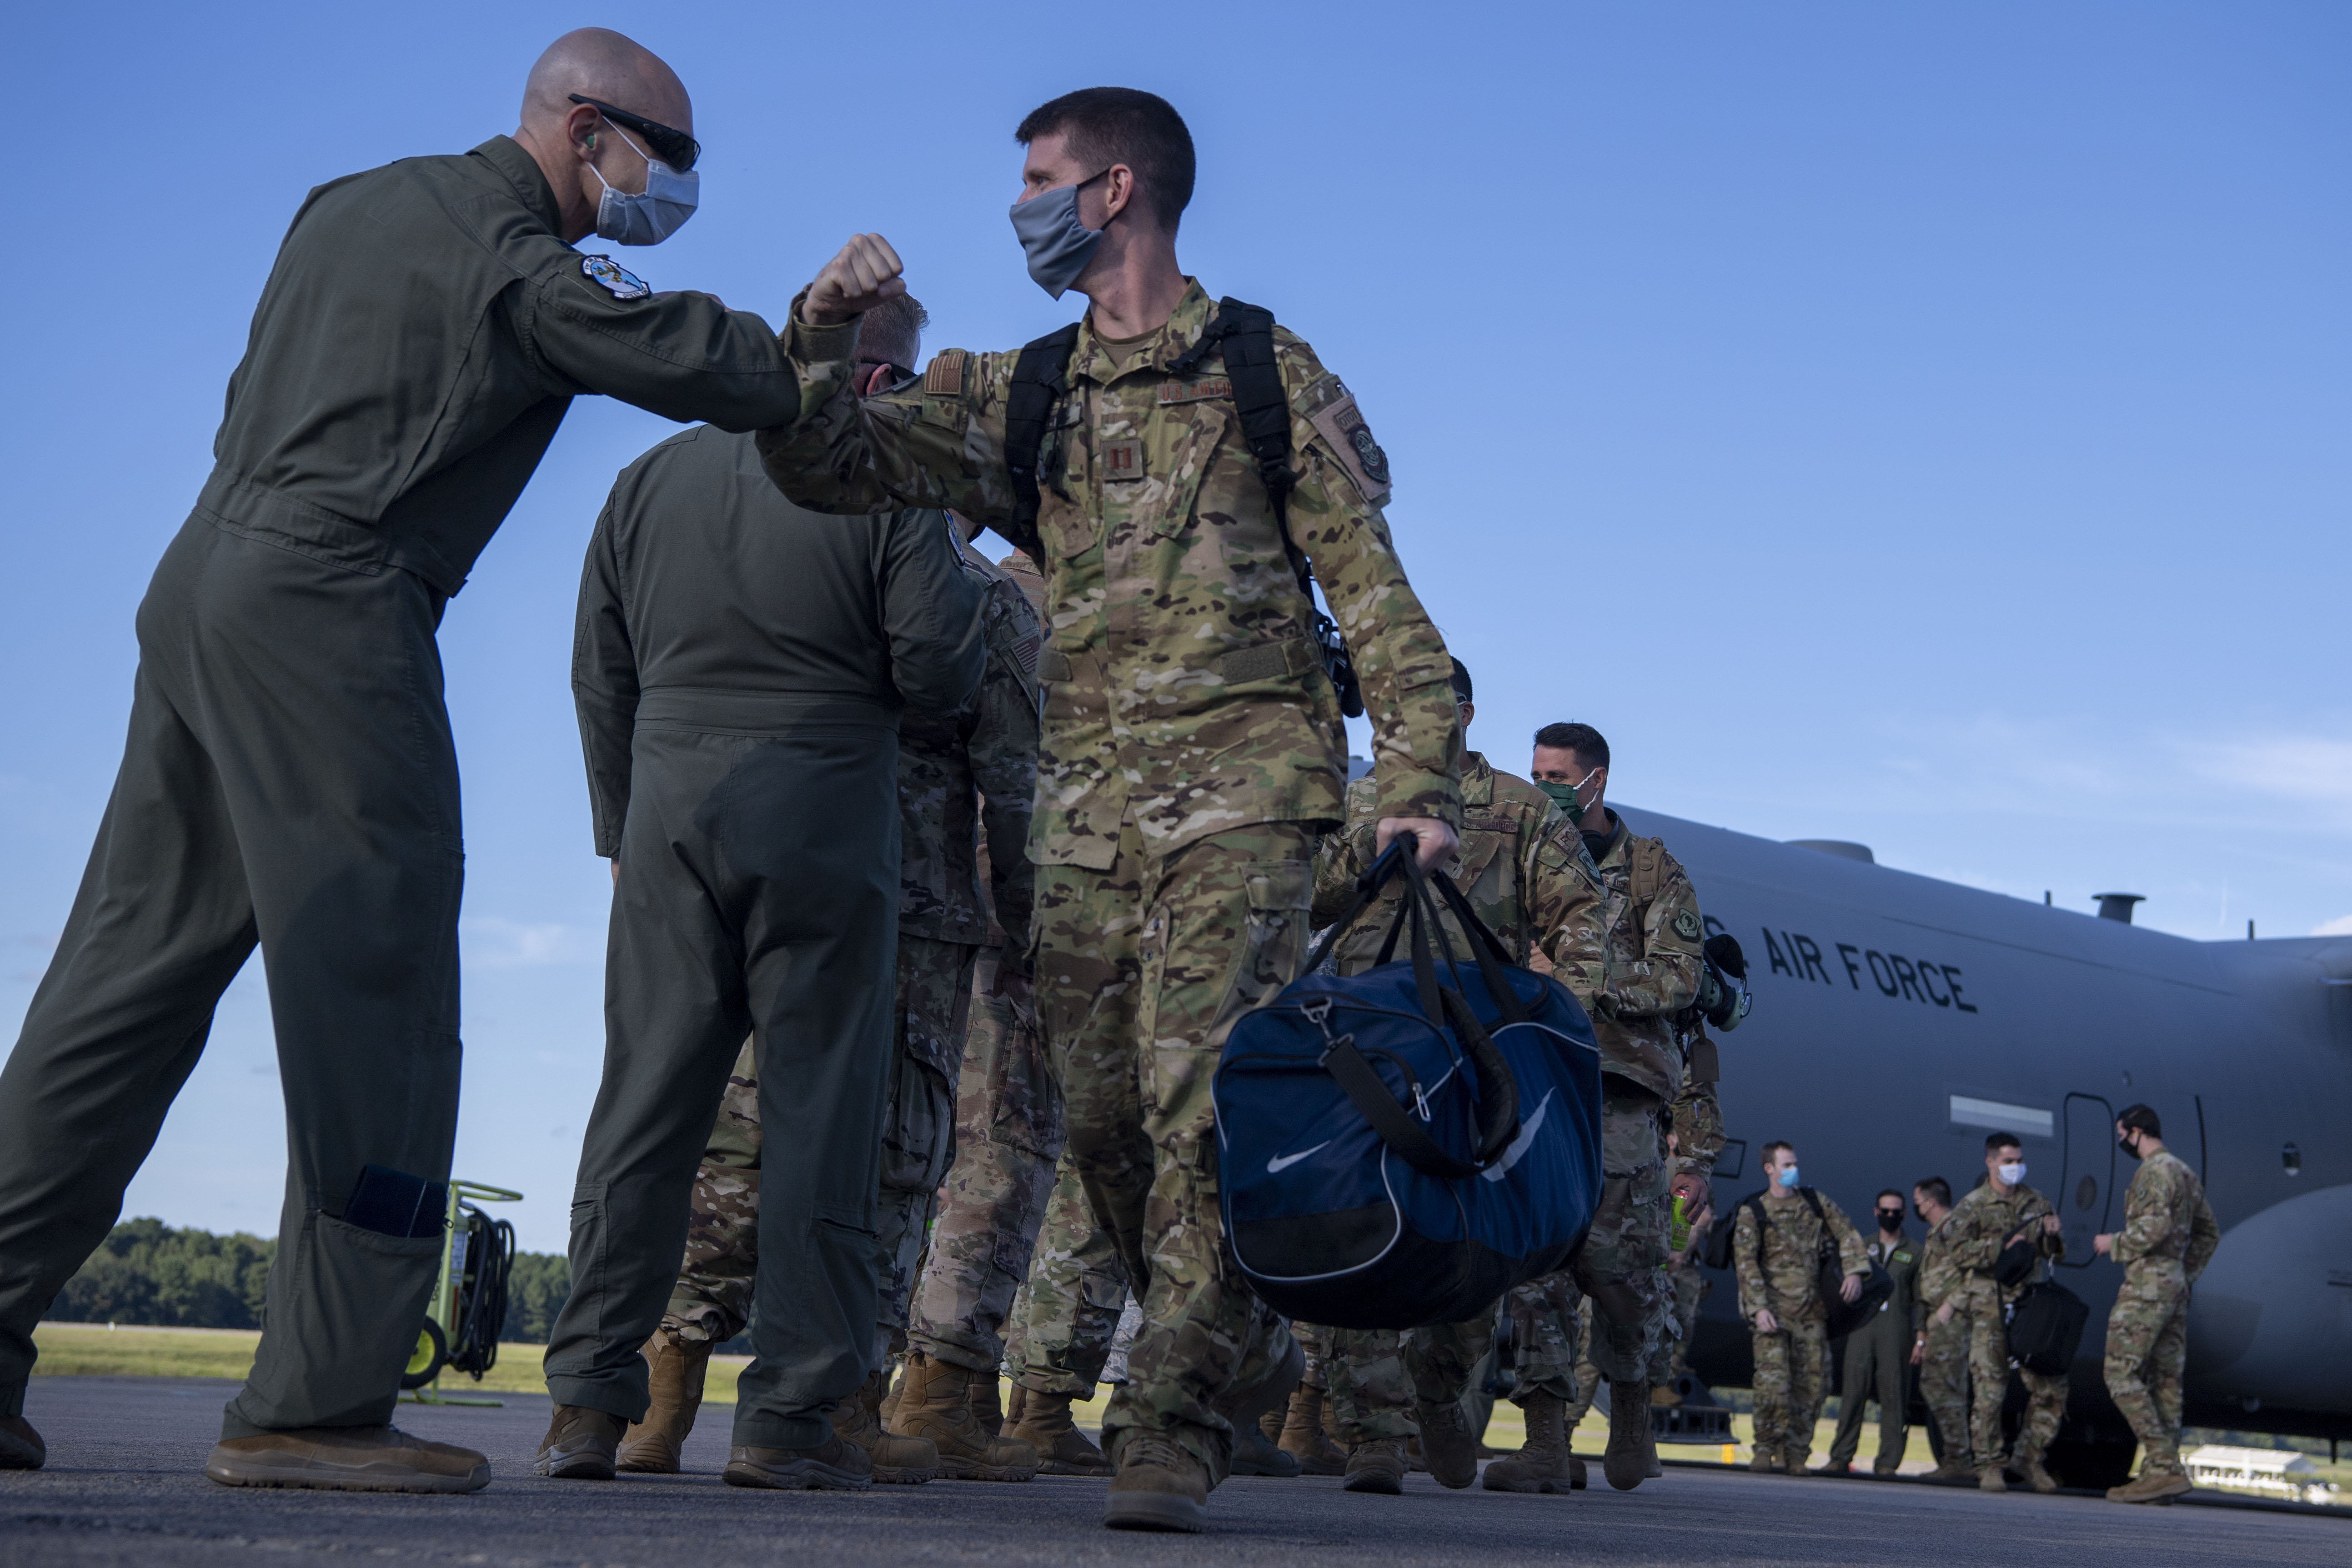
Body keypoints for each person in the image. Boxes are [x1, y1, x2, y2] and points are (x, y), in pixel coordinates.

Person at [0, 28, 818, 1491]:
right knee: (379, 998)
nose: (680, 182)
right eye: (670, 154)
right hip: (336, 606)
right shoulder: (515, 256)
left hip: (209, 571)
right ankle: (317, 1404)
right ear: (585, 130)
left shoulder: (352, 200)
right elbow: (706, 369)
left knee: (120, 981)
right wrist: (806, 344)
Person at [759, 86, 1465, 1533]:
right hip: (1084, 816)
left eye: (1038, 178)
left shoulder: (1263, 370)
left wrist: (1412, 780)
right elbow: (822, 463)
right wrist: (818, 332)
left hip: (1248, 801)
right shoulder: (1020, 390)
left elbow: (1375, 594)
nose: (1019, 205)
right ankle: (1230, 1334)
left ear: (1114, 191)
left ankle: (1171, 1417)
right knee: (1102, 1128)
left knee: (1201, 1105)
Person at [538, 291, 989, 1490]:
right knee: (820, 1121)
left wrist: (620, 825)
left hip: (669, 812)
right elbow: (939, 669)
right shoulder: (884, 480)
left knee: (640, 1111)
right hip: (827, 810)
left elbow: (598, 670)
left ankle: (585, 1404)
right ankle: (787, 1417)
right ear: (877, 380)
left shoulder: (645, 480)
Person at [1306, 660, 1609, 1497]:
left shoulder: (1518, 810)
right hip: (1369, 1050)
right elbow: (1310, 896)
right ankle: (1373, 1433)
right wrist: (1365, 845)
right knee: (1359, 1227)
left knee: (1472, 1241)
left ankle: (1439, 1393)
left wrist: (1551, 1028)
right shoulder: (1360, 803)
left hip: (1473, 1054)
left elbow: (1584, 925)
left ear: (1465, 715)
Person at [1528, 722, 1712, 1489]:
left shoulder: (1651, 872)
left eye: (1557, 776)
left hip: (1619, 1092)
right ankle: (1543, 1442)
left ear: (1595, 780)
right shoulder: (1526, 851)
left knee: (1620, 1268)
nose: (1544, 788)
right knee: (1535, 1266)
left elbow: (1679, 978)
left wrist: (1587, 980)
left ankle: (1632, 1410)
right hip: (1539, 1080)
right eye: (1536, 774)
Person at [1918, 1132, 2066, 1493]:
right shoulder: (1972, 1205)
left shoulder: (2037, 1202)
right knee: (1989, 1389)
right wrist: (2000, 1247)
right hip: (1989, 1306)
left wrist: (2052, 1236)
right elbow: (1957, 1252)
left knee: (2051, 1386)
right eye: (2008, 1160)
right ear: (1990, 1162)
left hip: (2029, 1305)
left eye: (2018, 1160)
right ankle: (1988, 1463)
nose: (2015, 1166)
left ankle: (2029, 1458)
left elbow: (2053, 1255)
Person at [2093, 1104, 2220, 1504]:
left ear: (2136, 1131)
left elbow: (2155, 1226)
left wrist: (2112, 1243)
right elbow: (2209, 1232)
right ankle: (2160, 1476)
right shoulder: (2184, 1172)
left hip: (2146, 1285)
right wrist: (2182, 1273)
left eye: (2122, 1134)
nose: (2121, 1142)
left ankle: (2163, 1463)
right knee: (2165, 1380)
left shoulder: (2153, 1171)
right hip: (2173, 1286)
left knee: (2119, 1371)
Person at [1731, 1142, 1870, 1474]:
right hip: (1773, 1313)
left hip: (1811, 1313)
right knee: (1772, 1385)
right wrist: (1758, 1308)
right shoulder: (1754, 1211)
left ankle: (1795, 1454)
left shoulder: (1814, 1202)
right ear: (1769, 1169)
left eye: (1794, 1163)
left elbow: (1846, 1231)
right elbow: (1746, 1263)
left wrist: (1854, 1270)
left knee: (1813, 1387)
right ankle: (1765, 1448)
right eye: (1787, 1164)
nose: (1793, 1169)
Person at [1820, 1189, 1919, 1475]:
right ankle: (1841, 1456)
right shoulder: (1863, 1246)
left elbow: (1921, 1298)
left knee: (1894, 1395)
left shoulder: (1916, 1252)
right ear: (1876, 1212)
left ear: (1904, 1215)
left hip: (1896, 1328)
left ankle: (1888, 1462)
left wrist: (1921, 1338)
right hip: (1863, 1326)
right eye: (1885, 1211)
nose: (1890, 1216)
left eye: (1896, 1212)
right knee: (1853, 1392)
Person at [1909, 1177, 1974, 1483]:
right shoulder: (1937, 1231)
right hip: (1938, 1320)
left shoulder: (1954, 1228)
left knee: (1941, 1385)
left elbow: (1975, 1270)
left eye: (1918, 1202)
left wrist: (1951, 1305)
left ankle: (1959, 1457)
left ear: (1930, 1202)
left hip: (1951, 1320)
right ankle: (1956, 1456)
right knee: (1941, 1385)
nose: (1917, 1207)